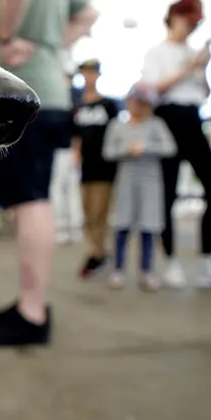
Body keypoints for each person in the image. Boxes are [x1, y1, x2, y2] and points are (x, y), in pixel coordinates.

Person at [0, 0, 99, 346]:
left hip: (24, 97)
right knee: (32, 198)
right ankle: (30, 299)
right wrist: (51, 47)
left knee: (30, 201)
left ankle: (32, 311)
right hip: (46, 95)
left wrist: (6, 40)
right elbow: (88, 13)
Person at [143, 0, 211, 290]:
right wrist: (189, 67)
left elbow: (204, 92)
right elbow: (154, 89)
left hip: (193, 119)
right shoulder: (157, 53)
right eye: (188, 20)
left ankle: (207, 262)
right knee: (167, 195)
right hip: (167, 120)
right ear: (174, 17)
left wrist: (202, 68)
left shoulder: (194, 53)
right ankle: (171, 261)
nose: (191, 26)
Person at [103, 81, 177, 291]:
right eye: (137, 102)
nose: (141, 107)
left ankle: (147, 271)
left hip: (150, 180)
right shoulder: (117, 126)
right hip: (126, 179)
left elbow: (169, 148)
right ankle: (118, 269)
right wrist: (128, 149)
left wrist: (146, 148)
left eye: (145, 103)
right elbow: (108, 152)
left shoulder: (157, 125)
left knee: (148, 227)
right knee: (121, 225)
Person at [72, 59, 119, 278]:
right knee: (88, 212)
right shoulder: (79, 106)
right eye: (85, 73)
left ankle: (98, 254)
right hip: (86, 168)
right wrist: (76, 153)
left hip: (105, 168)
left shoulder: (108, 105)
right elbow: (76, 136)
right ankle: (97, 252)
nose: (89, 77)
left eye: (92, 72)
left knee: (100, 212)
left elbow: (116, 132)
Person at [51, 71, 84, 245]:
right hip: (60, 150)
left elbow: (77, 129)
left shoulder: (72, 97)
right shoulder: (64, 97)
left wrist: (76, 150)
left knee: (65, 189)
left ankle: (71, 227)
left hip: (67, 150)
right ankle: (65, 227)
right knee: (62, 189)